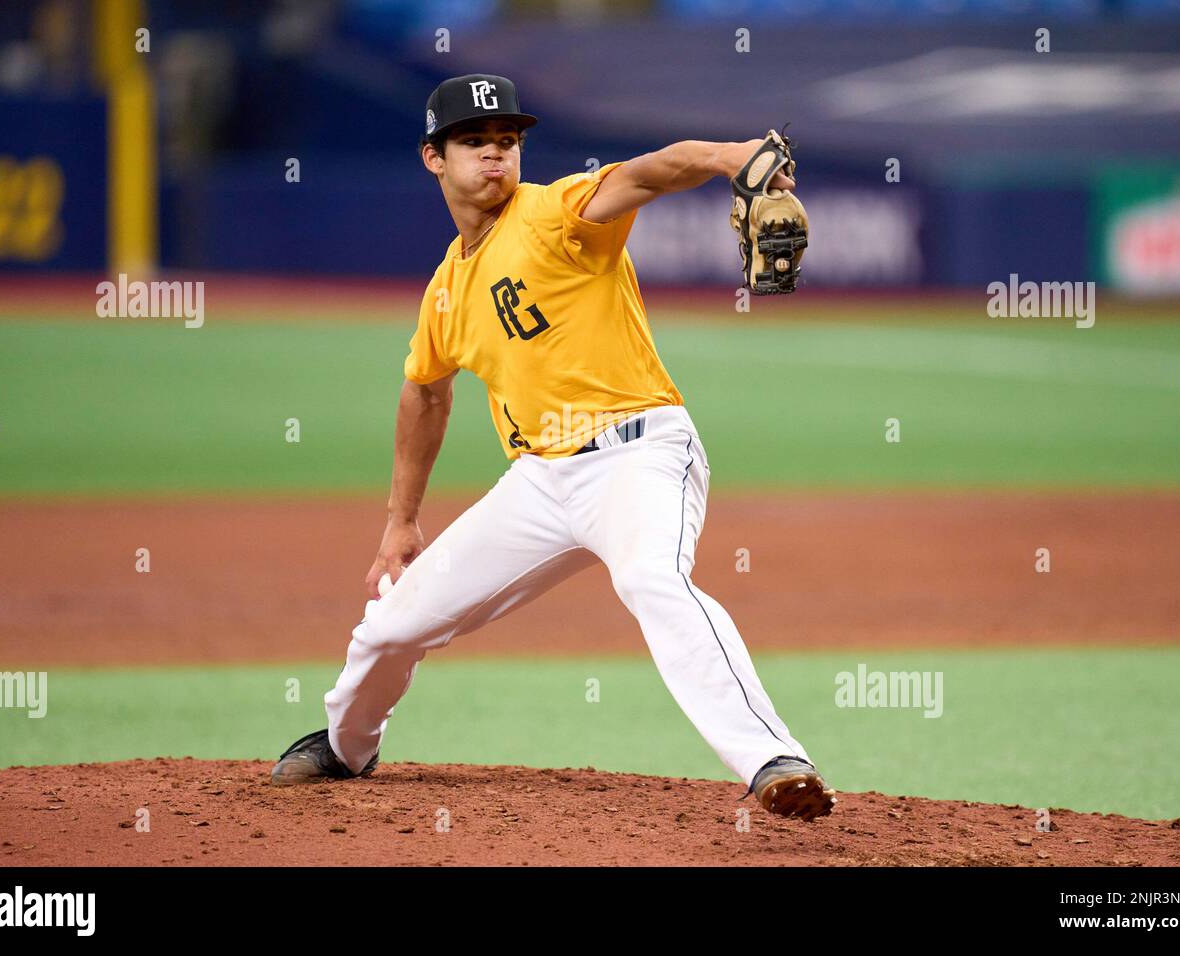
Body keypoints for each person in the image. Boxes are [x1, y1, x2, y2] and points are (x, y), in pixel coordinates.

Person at [271, 74, 835, 821]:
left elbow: (646, 173)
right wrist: (401, 520)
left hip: (641, 454)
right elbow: (425, 392)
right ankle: (348, 747)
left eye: (507, 141)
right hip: (539, 482)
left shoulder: (555, 211)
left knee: (652, 582)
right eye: (475, 142)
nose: (496, 156)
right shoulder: (446, 288)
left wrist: (731, 155)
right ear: (433, 158)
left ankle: (773, 759)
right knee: (391, 625)